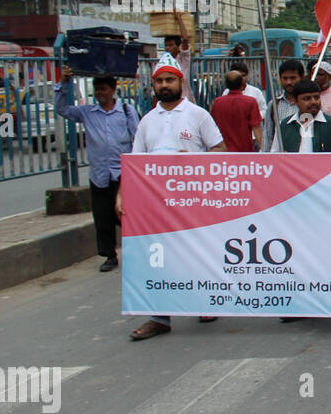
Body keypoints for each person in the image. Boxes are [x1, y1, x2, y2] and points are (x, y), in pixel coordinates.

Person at [125, 54, 225, 341]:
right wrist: (124, 195)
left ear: (180, 82)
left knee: (198, 252)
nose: (164, 85)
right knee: (157, 258)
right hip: (156, 204)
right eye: (159, 81)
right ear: (153, 85)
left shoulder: (198, 114)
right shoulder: (146, 121)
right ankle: (159, 317)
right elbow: (135, 163)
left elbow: (220, 149)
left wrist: (195, 159)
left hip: (193, 200)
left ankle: (204, 303)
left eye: (170, 80)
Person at [53, 67, 138, 272]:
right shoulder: (87, 113)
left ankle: (138, 251)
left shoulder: (126, 111)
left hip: (123, 175)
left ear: (113, 89)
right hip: (99, 175)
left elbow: (138, 137)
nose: (100, 93)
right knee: (102, 218)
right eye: (97, 90)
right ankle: (109, 255)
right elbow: (62, 109)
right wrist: (63, 84)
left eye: (103, 89)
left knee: (127, 216)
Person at [272, 79, 331, 152]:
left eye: (316, 97)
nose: (313, 102)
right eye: (307, 99)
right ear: (296, 101)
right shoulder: (283, 126)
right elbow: (274, 158)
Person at [210, 69, 263, 152]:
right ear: (242, 84)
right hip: (245, 152)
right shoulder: (250, 102)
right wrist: (262, 150)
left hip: (224, 153)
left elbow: (212, 127)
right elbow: (257, 129)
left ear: (226, 85)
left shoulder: (217, 103)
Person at [262, 58, 304, 154]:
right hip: (280, 159)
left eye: (293, 78)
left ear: (301, 78)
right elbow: (268, 135)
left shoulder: (308, 105)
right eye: (285, 78)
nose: (289, 82)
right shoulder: (273, 104)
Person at [162, 29, 194, 103]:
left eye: (170, 45)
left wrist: (179, 18)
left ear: (178, 47)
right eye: (166, 45)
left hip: (185, 99)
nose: (167, 48)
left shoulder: (183, 59)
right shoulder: (164, 62)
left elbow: (185, 39)